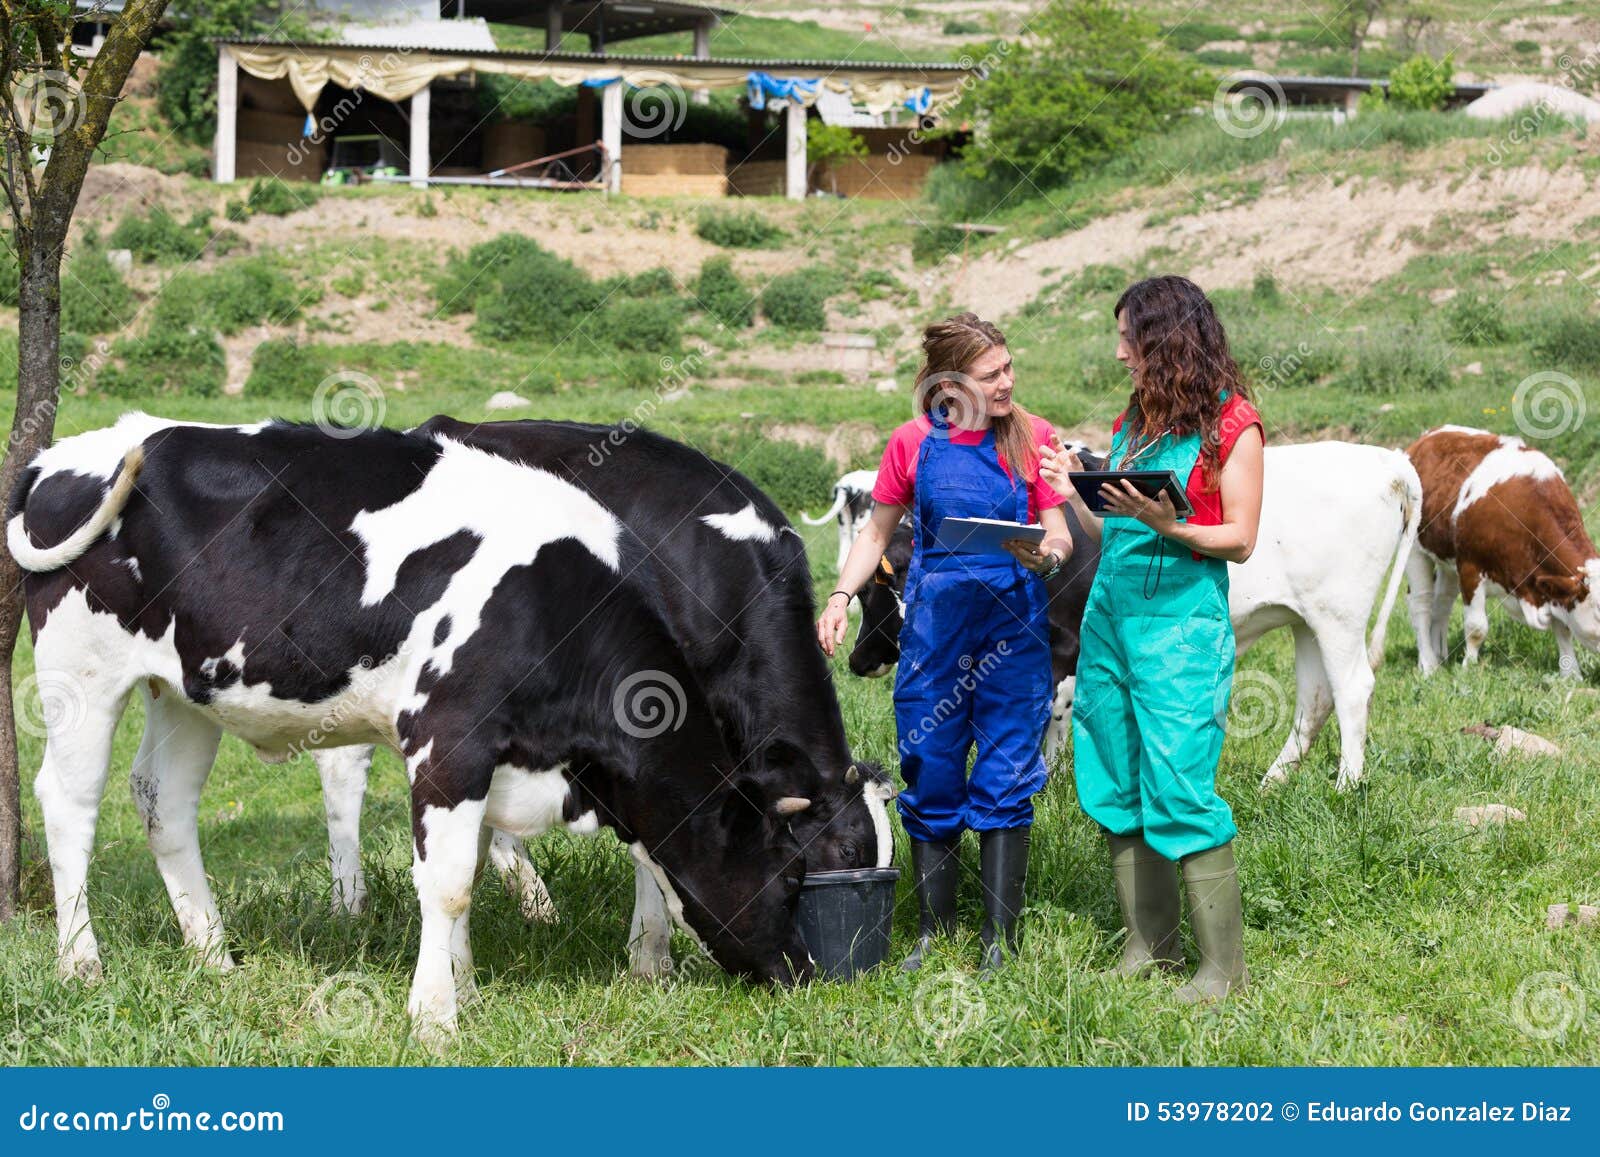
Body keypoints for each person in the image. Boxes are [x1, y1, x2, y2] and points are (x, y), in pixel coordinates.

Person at [817, 313, 1075, 974]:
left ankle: (999, 938)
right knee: (930, 766)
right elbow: (876, 534)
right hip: (934, 633)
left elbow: (1060, 535)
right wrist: (841, 597)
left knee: (1007, 770)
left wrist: (1044, 555)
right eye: (992, 375)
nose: (1007, 383)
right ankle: (933, 929)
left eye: (1009, 368)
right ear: (951, 383)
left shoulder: (1034, 438)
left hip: (1012, 632)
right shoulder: (912, 443)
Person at [1038, 275, 1264, 1002]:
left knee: (1178, 783)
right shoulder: (1135, 419)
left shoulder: (1236, 424)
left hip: (1181, 629)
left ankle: (1223, 970)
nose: (1119, 353)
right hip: (1110, 619)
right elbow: (1120, 532)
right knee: (1114, 775)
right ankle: (1151, 945)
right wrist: (1082, 490)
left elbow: (1241, 538)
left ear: (1167, 340)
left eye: (1129, 338)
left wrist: (1173, 525)